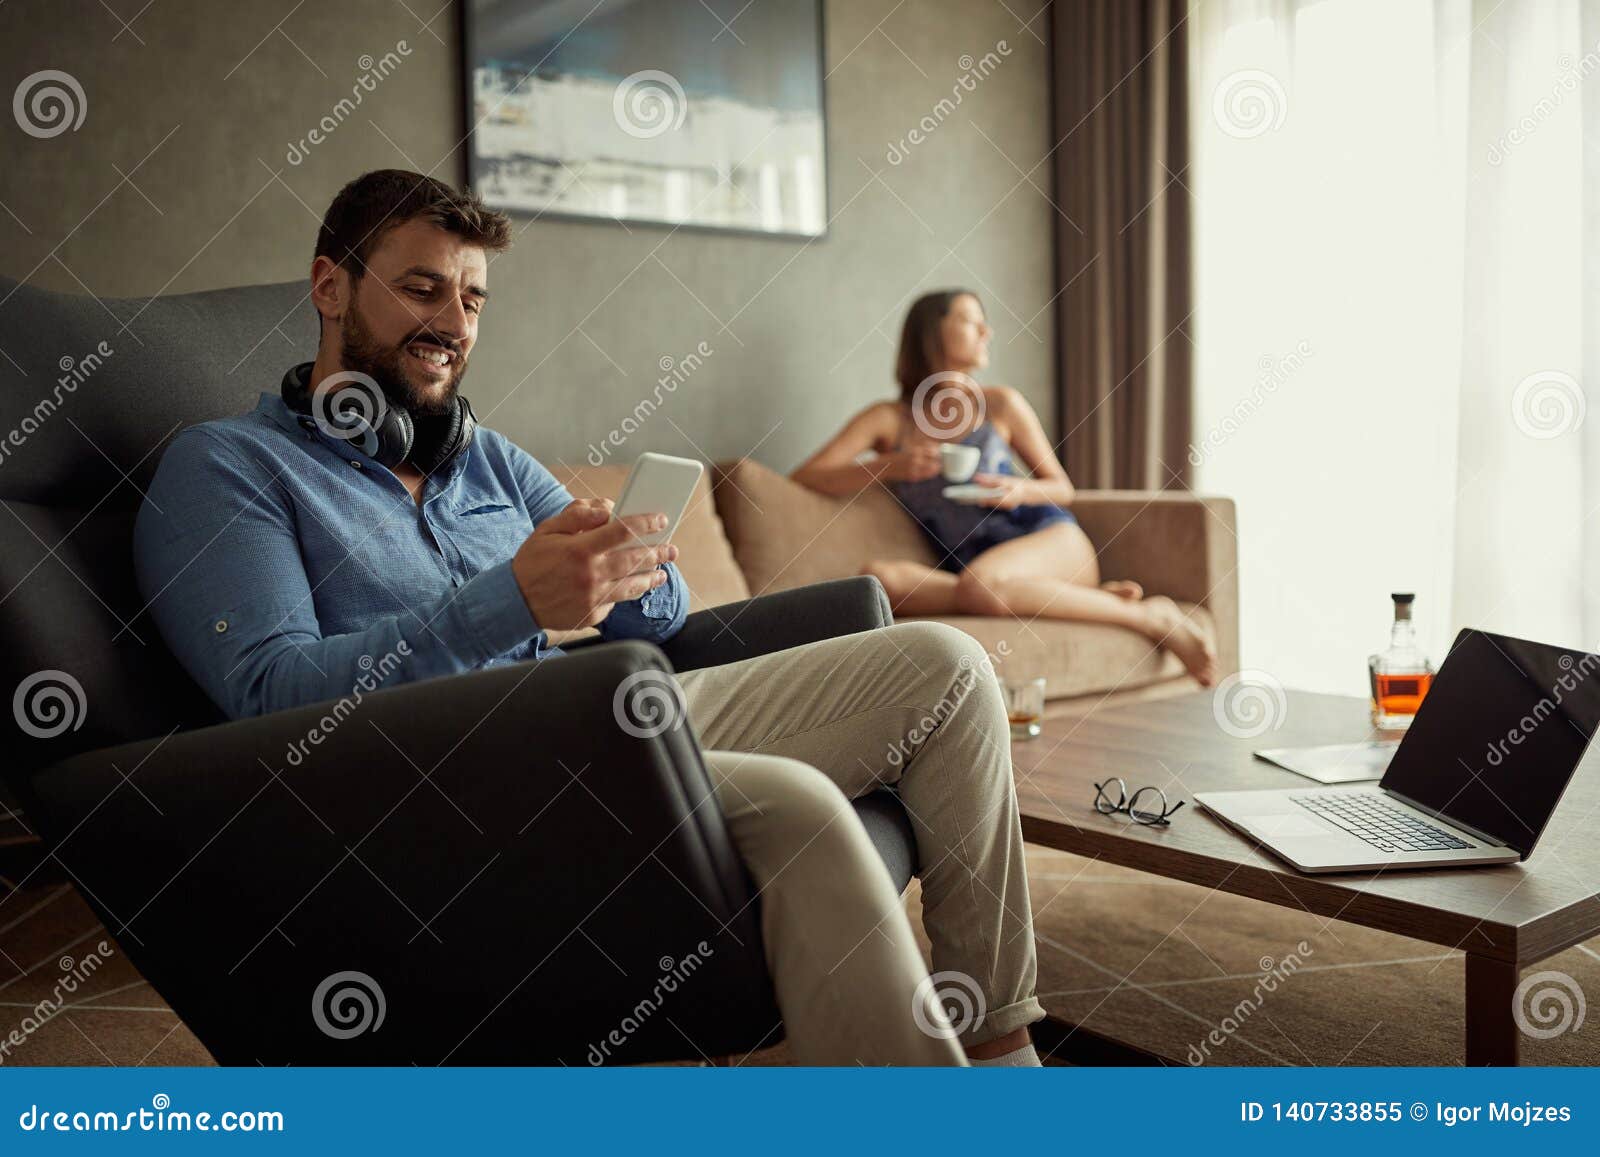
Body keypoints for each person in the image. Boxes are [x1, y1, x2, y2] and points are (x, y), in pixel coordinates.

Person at [132, 171, 1046, 1066]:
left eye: (474, 300)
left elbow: (660, 617)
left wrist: (628, 567)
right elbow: (273, 699)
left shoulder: (486, 459)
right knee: (802, 808)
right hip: (431, 789)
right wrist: (509, 603)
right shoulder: (228, 467)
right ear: (330, 286)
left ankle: (1000, 1049)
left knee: (946, 664)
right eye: (422, 289)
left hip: (589, 725)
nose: (454, 324)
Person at [791, 289, 1218, 686]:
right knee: (877, 580)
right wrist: (887, 466)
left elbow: (1062, 489)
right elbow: (807, 477)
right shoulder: (891, 420)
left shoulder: (1000, 405)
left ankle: (1151, 617)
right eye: (970, 320)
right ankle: (1065, 600)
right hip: (981, 573)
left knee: (982, 584)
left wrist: (1019, 490)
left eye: (984, 322)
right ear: (932, 332)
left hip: (1052, 543)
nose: (985, 331)